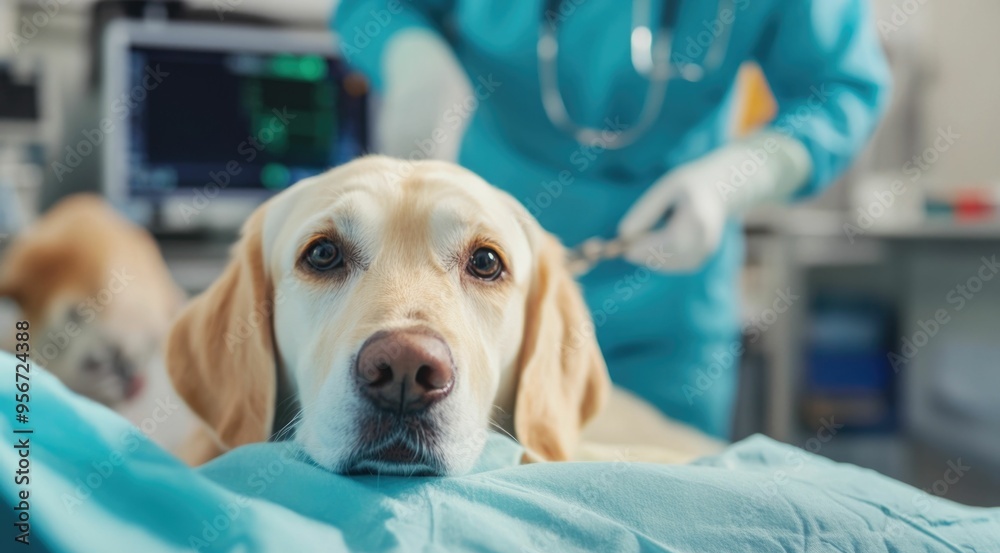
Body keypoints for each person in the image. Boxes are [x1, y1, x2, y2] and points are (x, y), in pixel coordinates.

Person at [333, 0, 891, 438]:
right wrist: (413, 58)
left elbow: (843, 86)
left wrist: (739, 177)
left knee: (658, 501)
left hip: (664, 306)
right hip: (478, 299)